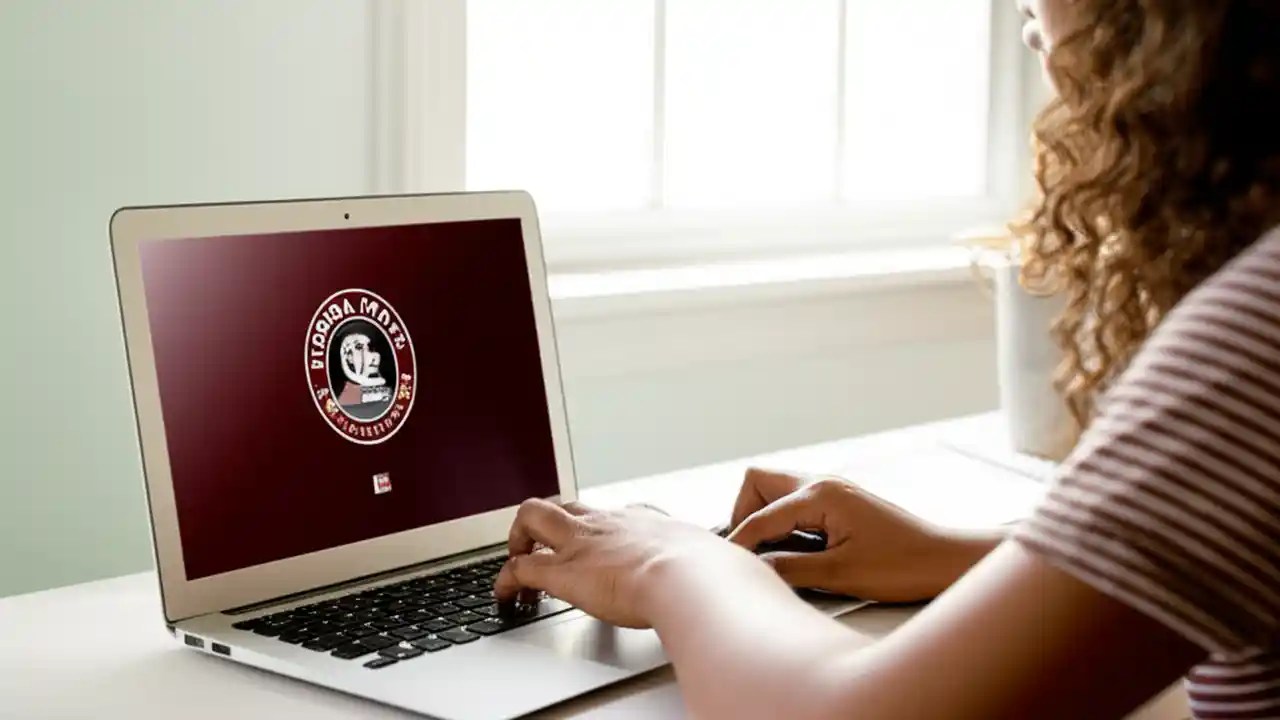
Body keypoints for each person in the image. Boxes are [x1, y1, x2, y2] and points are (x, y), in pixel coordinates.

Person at [494, 1, 1280, 717]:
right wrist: (953, 557)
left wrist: (674, 564)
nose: (1038, 52)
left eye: (1041, 22)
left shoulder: (1256, 335)